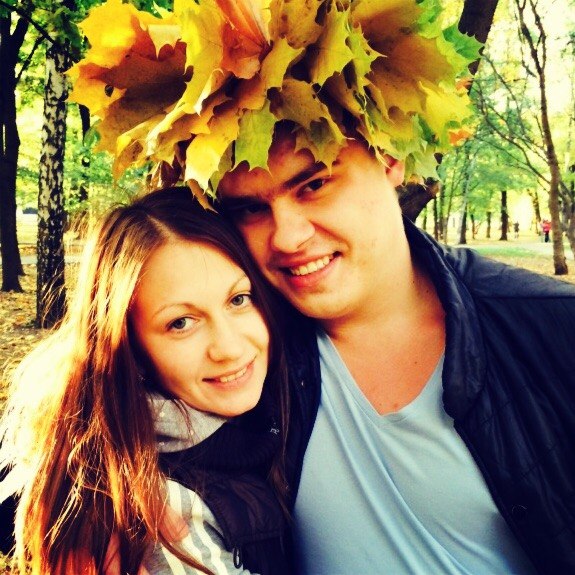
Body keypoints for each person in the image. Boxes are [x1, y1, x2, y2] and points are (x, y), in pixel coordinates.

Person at [68, 1, 575, 573]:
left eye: (313, 185)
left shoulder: (552, 332)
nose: (287, 237)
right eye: (250, 209)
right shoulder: (248, 341)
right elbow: (99, 398)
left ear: (389, 157)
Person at [0, 187, 291, 575]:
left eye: (238, 299)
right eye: (180, 323)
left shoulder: (282, 395)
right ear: (131, 348)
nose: (230, 348)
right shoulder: (161, 512)